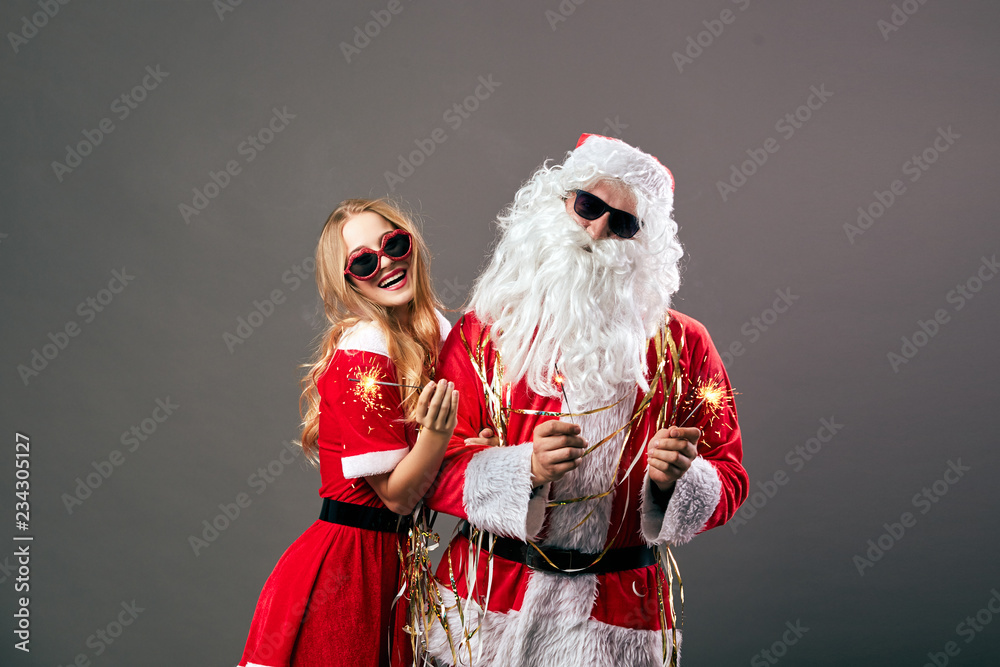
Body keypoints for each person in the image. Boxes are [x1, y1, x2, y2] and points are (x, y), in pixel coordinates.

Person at [419, 134, 750, 666]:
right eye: (589, 207)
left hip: (617, 618)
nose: (598, 229)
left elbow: (730, 477)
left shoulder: (685, 347)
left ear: (645, 244)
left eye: (622, 223)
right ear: (558, 203)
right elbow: (430, 466)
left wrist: (675, 482)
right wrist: (522, 468)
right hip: (483, 604)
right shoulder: (484, 336)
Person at [238, 198, 461, 667]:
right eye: (363, 261)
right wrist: (438, 437)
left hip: (398, 565)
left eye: (393, 243)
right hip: (345, 575)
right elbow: (399, 497)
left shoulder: (438, 343)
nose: (386, 263)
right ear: (348, 280)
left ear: (411, 244)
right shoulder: (364, 354)